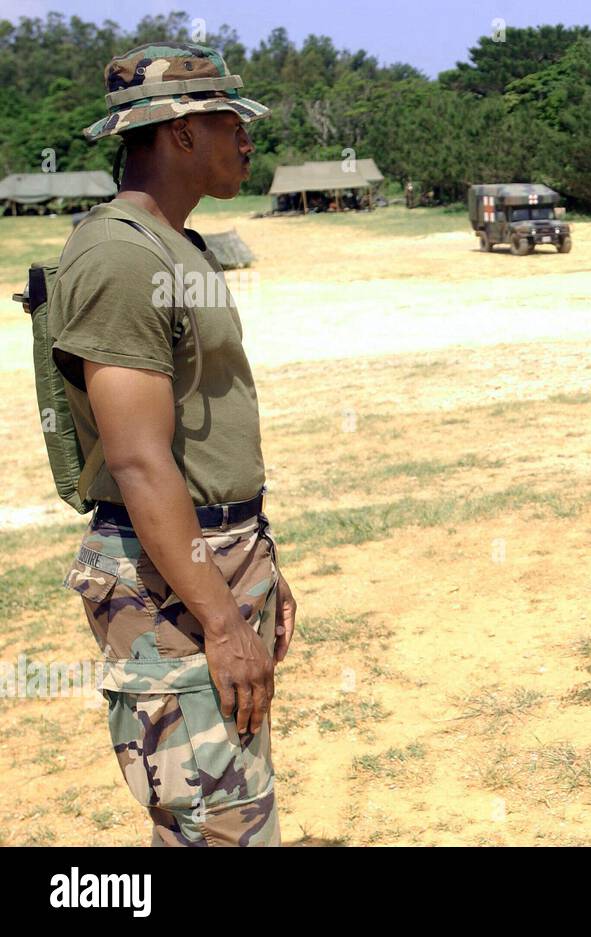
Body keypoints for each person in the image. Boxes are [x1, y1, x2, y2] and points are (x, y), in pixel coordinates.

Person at [48, 42, 295, 846]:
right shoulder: (123, 255)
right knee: (222, 825)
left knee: (218, 808)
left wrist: (258, 563)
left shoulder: (177, 243)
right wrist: (222, 622)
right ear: (180, 133)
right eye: (231, 123)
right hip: (170, 581)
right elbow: (138, 458)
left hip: (215, 557)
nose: (247, 141)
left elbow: (203, 427)